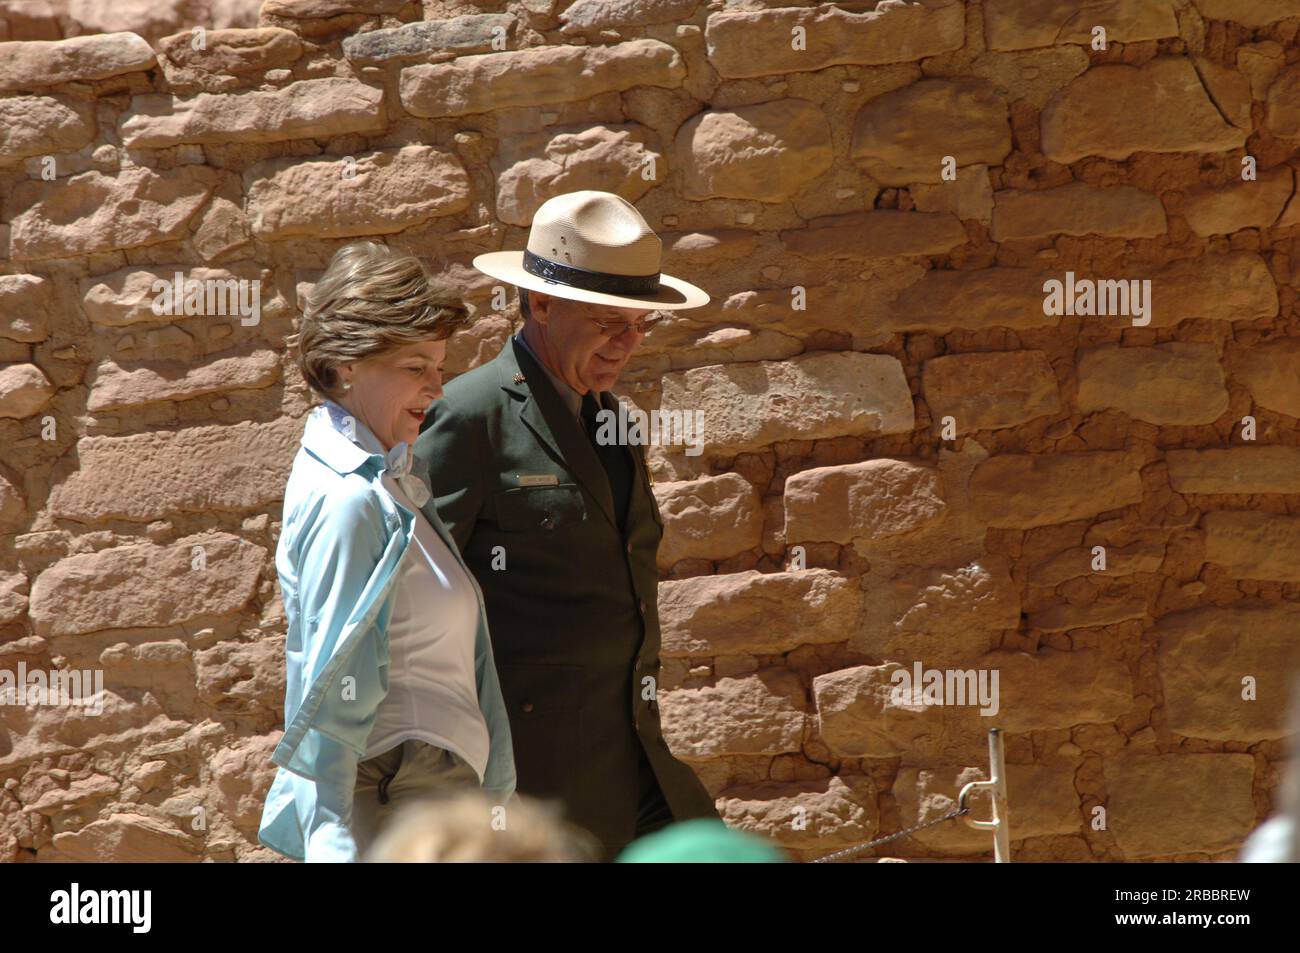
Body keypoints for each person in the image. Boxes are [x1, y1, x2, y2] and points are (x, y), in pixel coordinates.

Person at [413, 190, 717, 861]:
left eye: (641, 325)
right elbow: (412, 597)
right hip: (533, 782)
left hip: (634, 757)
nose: (627, 344)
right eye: (610, 322)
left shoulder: (613, 422)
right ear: (541, 304)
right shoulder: (472, 416)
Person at [258, 242, 515, 863]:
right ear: (346, 366)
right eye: (414, 366)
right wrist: (331, 835)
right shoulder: (350, 500)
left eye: (439, 365)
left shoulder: (389, 480)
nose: (437, 386)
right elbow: (330, 671)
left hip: (430, 784)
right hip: (402, 787)